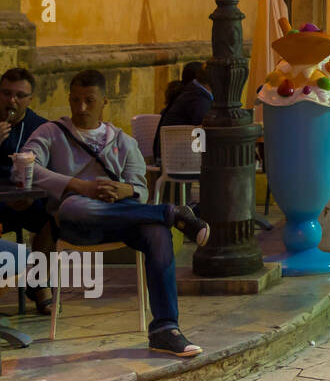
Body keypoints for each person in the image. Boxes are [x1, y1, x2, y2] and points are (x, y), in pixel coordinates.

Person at [25, 69, 208, 356]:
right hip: (78, 222)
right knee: (72, 204)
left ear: (104, 102)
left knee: (157, 234)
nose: (81, 108)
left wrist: (123, 191)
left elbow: (139, 189)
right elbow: (25, 168)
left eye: (88, 100)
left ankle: (165, 328)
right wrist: (77, 186)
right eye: (75, 101)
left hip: (123, 218)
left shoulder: (122, 141)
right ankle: (171, 213)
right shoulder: (51, 133)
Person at [0, 67, 53, 312]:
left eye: (20, 95)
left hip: (26, 200)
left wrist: (31, 196)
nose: (12, 100)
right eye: (6, 93)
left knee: (52, 218)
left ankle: (39, 281)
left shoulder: (41, 129)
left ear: (30, 99)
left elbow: (51, 172)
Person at [154, 60, 213, 161]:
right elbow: (207, 131)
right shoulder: (197, 98)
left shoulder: (193, 93)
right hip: (177, 161)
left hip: (172, 157)